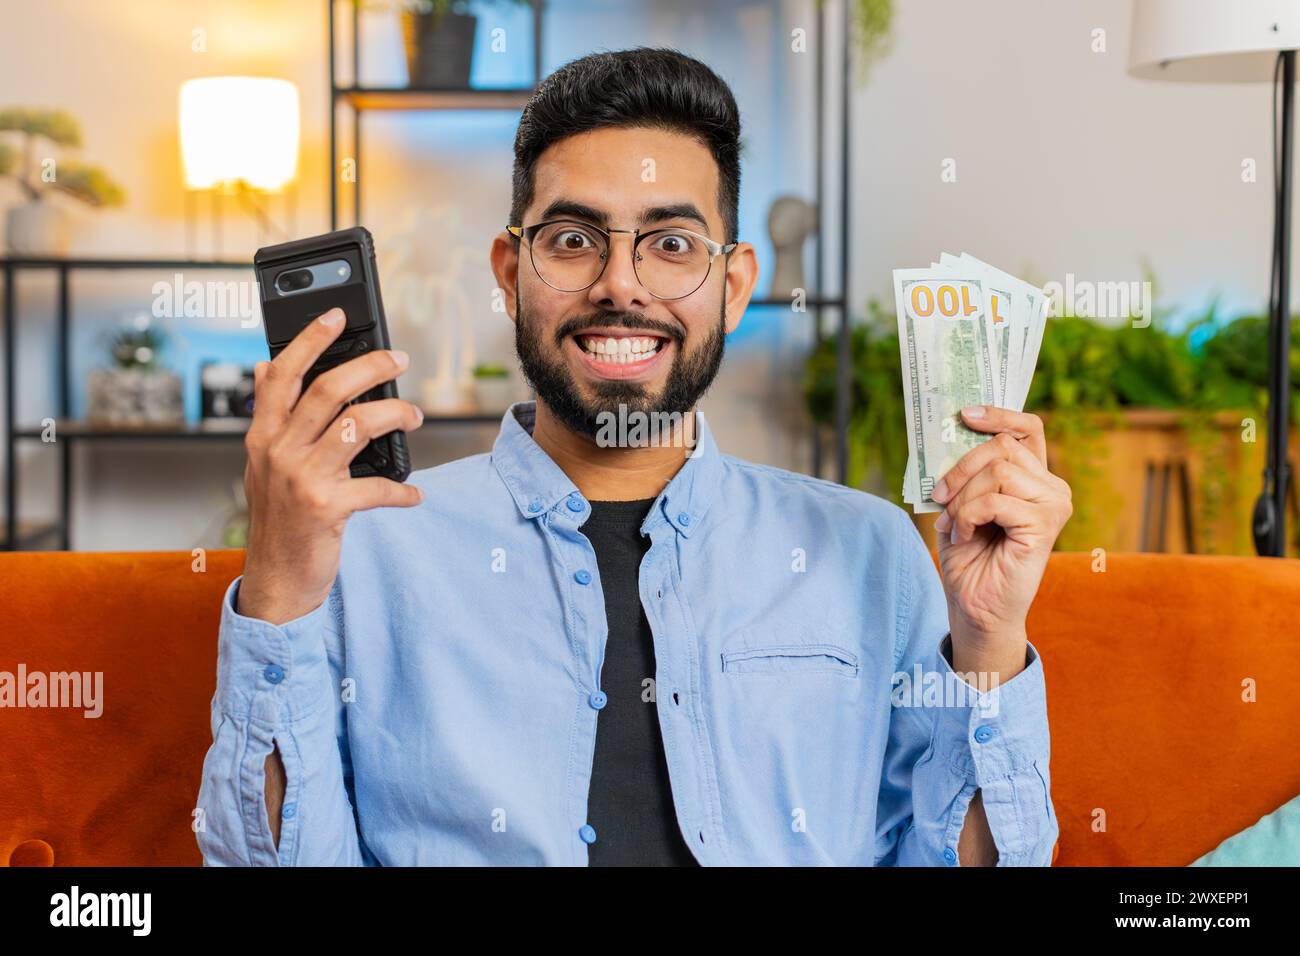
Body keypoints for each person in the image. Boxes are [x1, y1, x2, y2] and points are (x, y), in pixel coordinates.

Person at [196, 47, 1071, 866]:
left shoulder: (873, 551)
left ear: (733, 288)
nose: (621, 284)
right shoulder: (362, 552)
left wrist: (989, 641)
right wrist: (276, 586)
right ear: (509, 274)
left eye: (672, 244)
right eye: (573, 240)